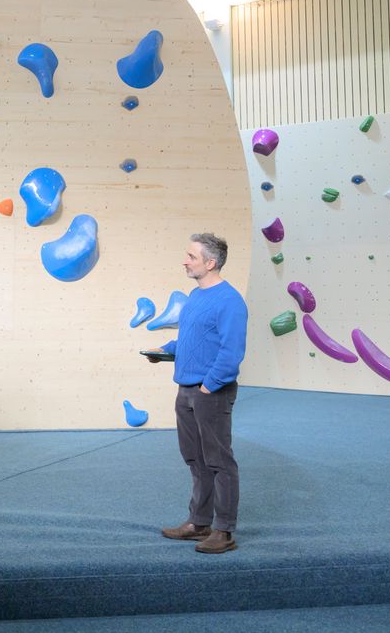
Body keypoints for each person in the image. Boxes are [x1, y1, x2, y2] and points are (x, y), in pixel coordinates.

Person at [145, 233, 247, 554]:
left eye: (191, 256)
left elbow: (231, 354)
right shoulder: (195, 295)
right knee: (195, 459)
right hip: (186, 390)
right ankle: (199, 522)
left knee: (219, 462)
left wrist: (207, 386)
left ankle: (224, 531)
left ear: (210, 262)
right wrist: (166, 349)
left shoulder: (230, 302)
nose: (185, 261)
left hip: (210, 392)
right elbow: (194, 339)